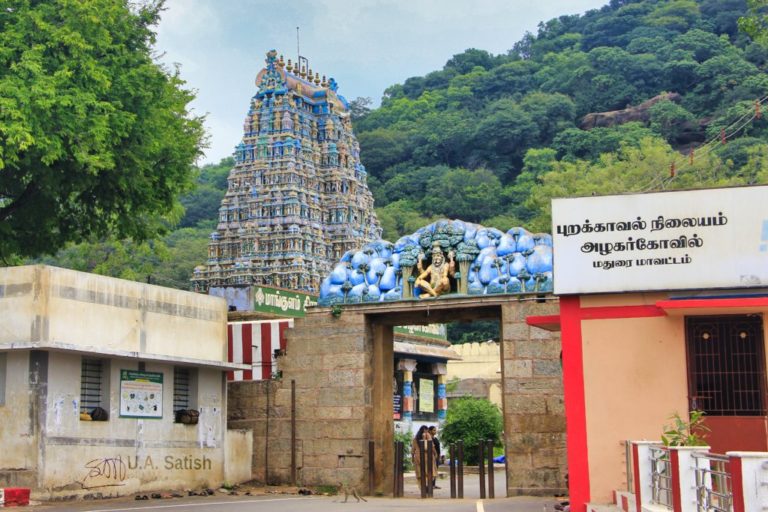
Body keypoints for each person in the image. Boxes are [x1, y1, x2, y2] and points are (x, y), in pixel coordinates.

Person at [411, 426, 438, 491]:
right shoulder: (428, 437)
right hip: (428, 456)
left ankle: (423, 487)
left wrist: (412, 458)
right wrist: (435, 454)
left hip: (418, 457)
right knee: (430, 472)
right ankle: (429, 486)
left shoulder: (415, 439)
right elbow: (432, 447)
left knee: (420, 473)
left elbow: (413, 450)